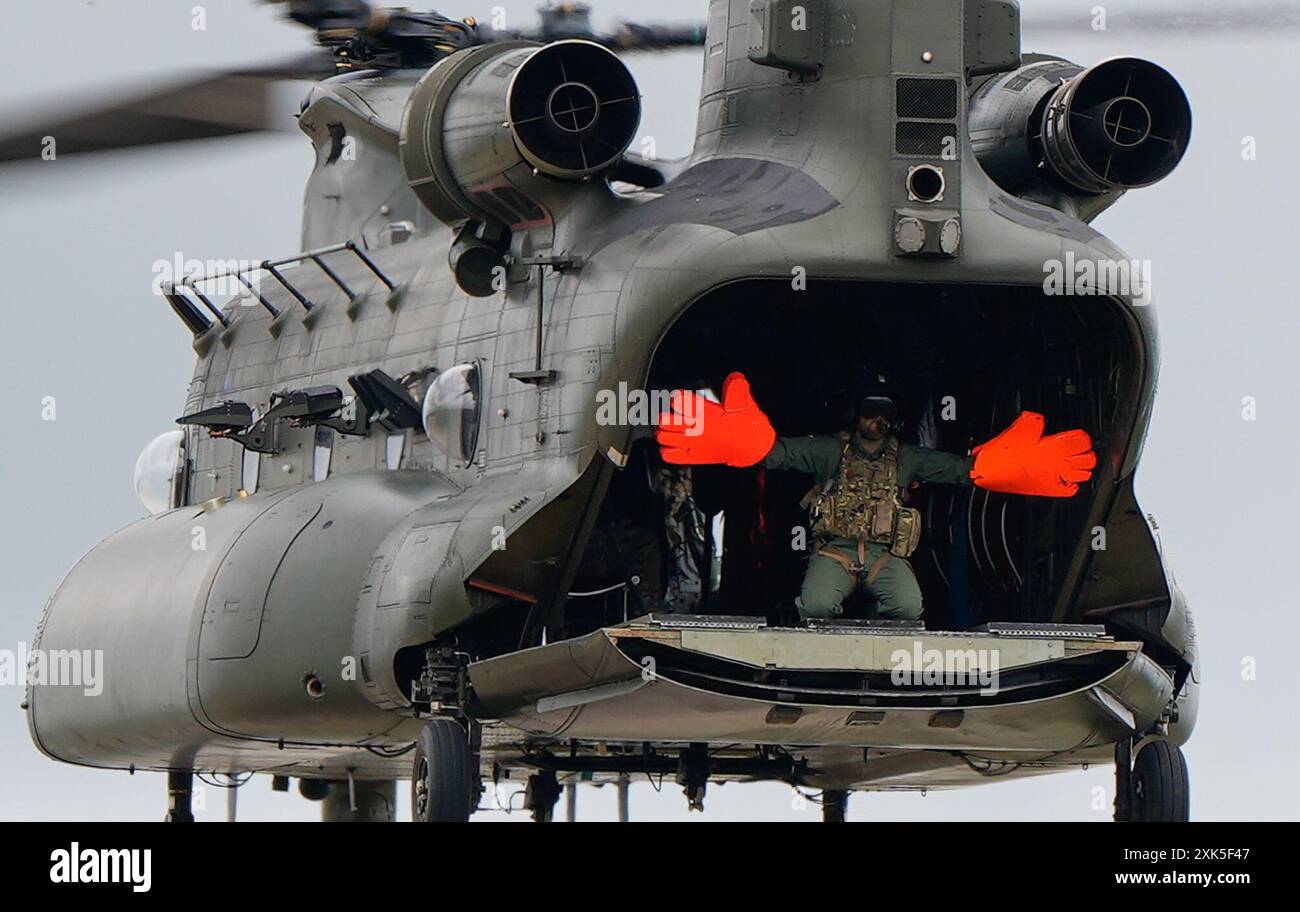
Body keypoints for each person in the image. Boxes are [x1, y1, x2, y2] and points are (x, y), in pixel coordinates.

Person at [654, 372, 1096, 622]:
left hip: (886, 555)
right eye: (870, 414)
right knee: (816, 606)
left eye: (884, 415)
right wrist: (749, 444)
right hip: (836, 553)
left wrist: (998, 466)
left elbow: (960, 471)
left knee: (908, 607)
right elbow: (780, 454)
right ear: (857, 415)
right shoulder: (830, 451)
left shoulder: (907, 458)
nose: (876, 423)